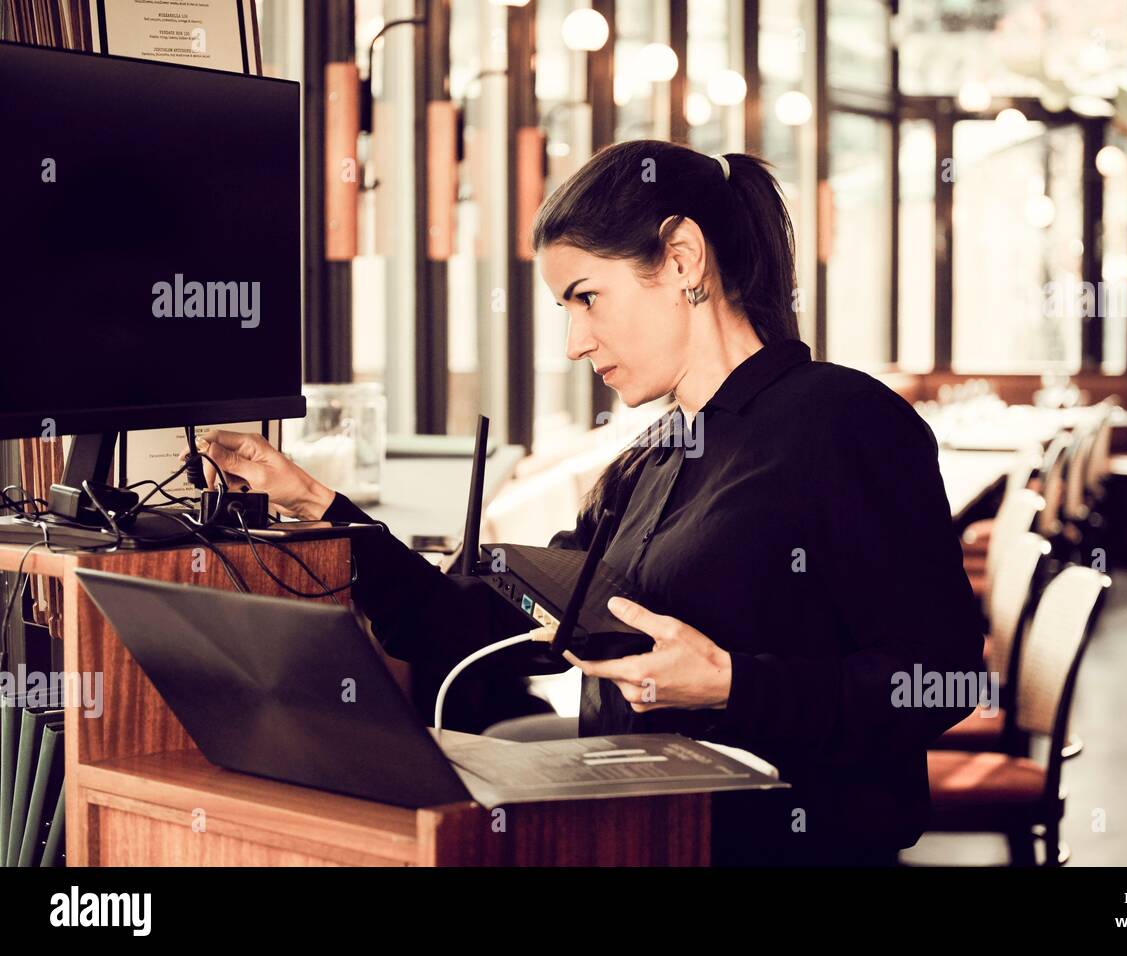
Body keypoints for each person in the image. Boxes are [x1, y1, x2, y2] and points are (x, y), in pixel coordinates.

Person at [198, 140, 985, 867]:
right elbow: (488, 627)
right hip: (639, 837)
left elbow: (944, 677)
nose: (574, 343)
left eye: (586, 298)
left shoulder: (844, 423)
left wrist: (733, 683)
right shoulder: (652, 459)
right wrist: (317, 502)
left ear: (682, 260)